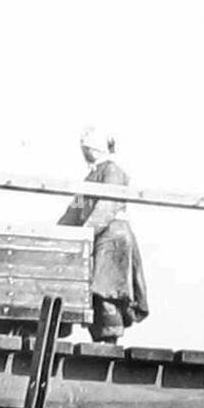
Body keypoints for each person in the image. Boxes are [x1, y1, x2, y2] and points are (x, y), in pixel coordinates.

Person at [57, 127, 149, 343]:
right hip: (97, 235)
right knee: (96, 292)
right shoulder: (90, 178)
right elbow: (75, 210)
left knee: (107, 290)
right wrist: (58, 233)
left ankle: (109, 342)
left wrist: (85, 233)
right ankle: (101, 339)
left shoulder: (112, 172)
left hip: (112, 237)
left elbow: (106, 207)